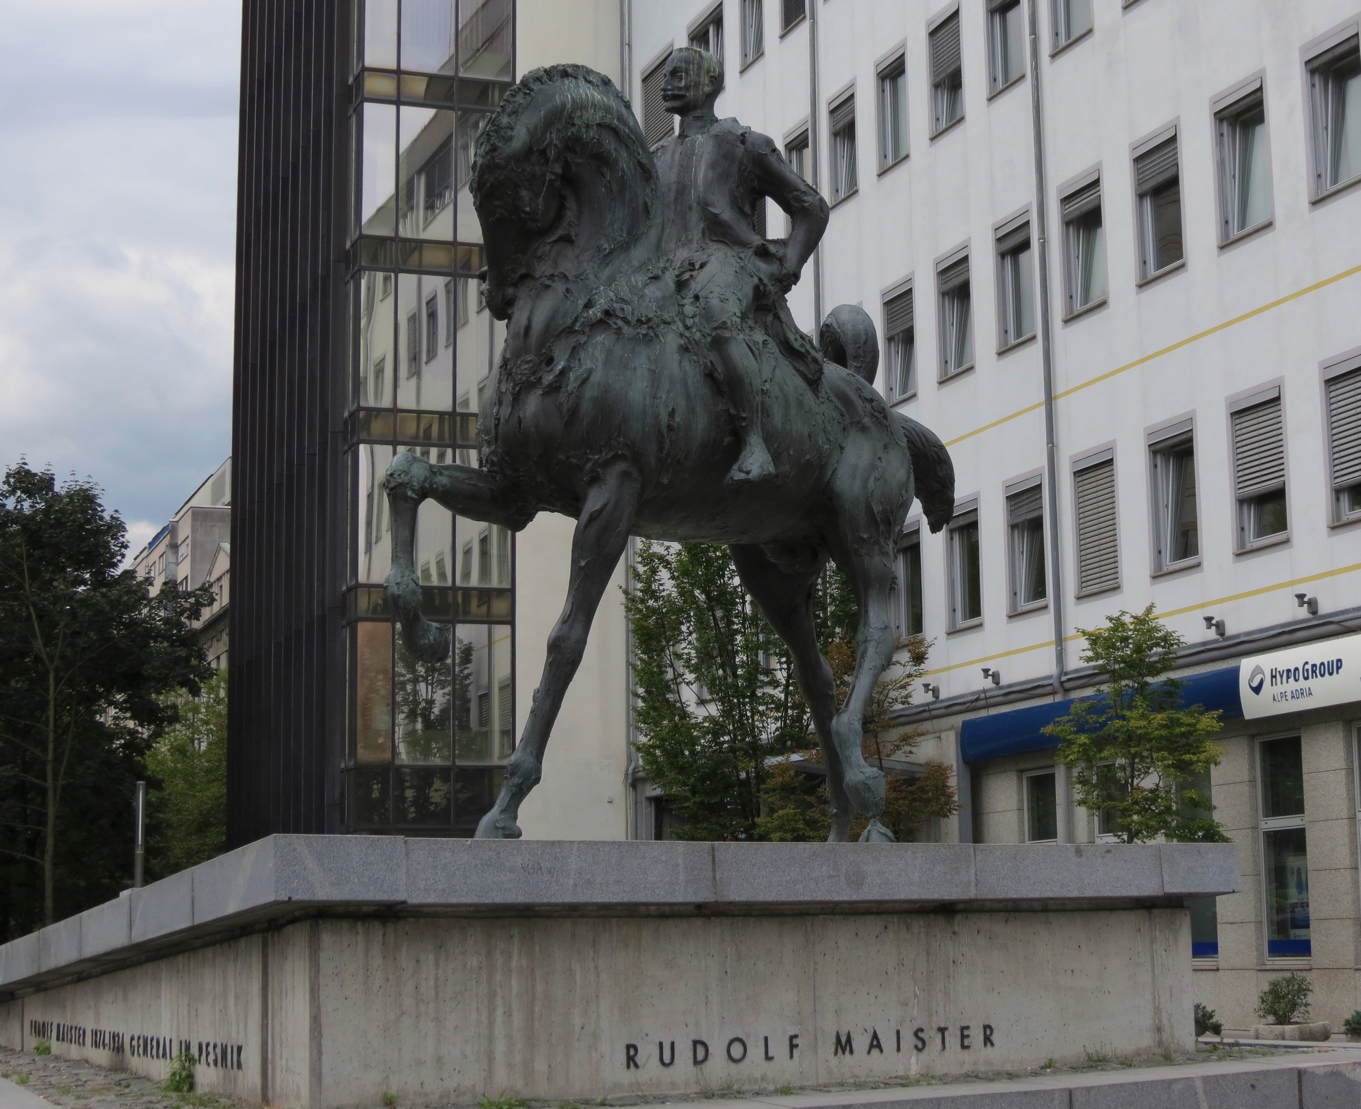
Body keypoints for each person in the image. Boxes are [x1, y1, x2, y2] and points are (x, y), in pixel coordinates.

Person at [654, 47, 829, 483]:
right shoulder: (654, 157)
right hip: (665, 271)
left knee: (716, 314)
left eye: (679, 75)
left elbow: (811, 208)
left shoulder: (744, 143)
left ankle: (755, 442)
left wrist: (787, 268)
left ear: (709, 84)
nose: (666, 85)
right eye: (666, 76)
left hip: (729, 262)